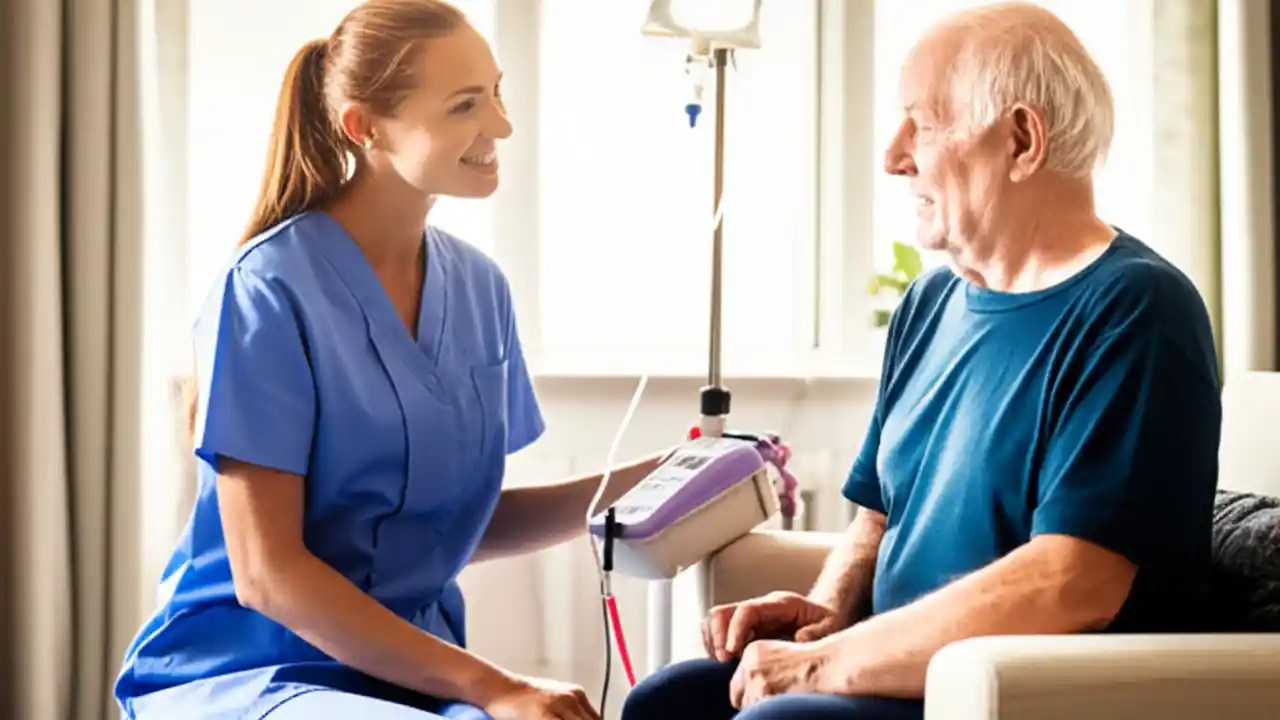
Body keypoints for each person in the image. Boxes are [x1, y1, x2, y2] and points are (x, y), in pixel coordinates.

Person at [622, 2, 1222, 719]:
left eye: (923, 124)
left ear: (1021, 141)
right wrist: (825, 617)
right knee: (665, 703)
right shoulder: (930, 302)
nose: (894, 156)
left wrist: (825, 665)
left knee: (778, 717)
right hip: (903, 680)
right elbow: (876, 522)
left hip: (1019, 697)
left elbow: (1072, 582)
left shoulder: (1137, 309)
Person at [114, 2, 669, 718]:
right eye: (465, 105)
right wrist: (495, 684)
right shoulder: (267, 288)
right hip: (252, 669)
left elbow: (451, 523)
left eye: (496, 94)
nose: (501, 125)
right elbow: (266, 575)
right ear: (364, 126)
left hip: (411, 670)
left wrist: (659, 479)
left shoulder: (480, 288)